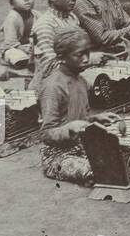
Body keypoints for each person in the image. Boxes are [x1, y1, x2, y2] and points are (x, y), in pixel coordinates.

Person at [38, 27, 123, 186]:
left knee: (122, 159)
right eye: (79, 55)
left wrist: (95, 119)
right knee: (100, 170)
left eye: (87, 53)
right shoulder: (53, 86)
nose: (86, 59)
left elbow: (77, 119)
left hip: (84, 146)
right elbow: (46, 133)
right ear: (63, 57)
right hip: (58, 155)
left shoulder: (81, 80)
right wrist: (69, 128)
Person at [29, 0, 81, 98]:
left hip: (69, 81)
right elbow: (49, 65)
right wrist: (87, 61)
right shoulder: (45, 25)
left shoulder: (72, 19)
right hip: (48, 90)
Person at [0, 0, 35, 75]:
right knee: (15, 55)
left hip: (31, 46)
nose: (26, 0)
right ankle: (23, 61)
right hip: (14, 47)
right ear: (12, 2)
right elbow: (10, 42)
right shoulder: (12, 18)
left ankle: (31, 59)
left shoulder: (36, 14)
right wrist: (23, 48)